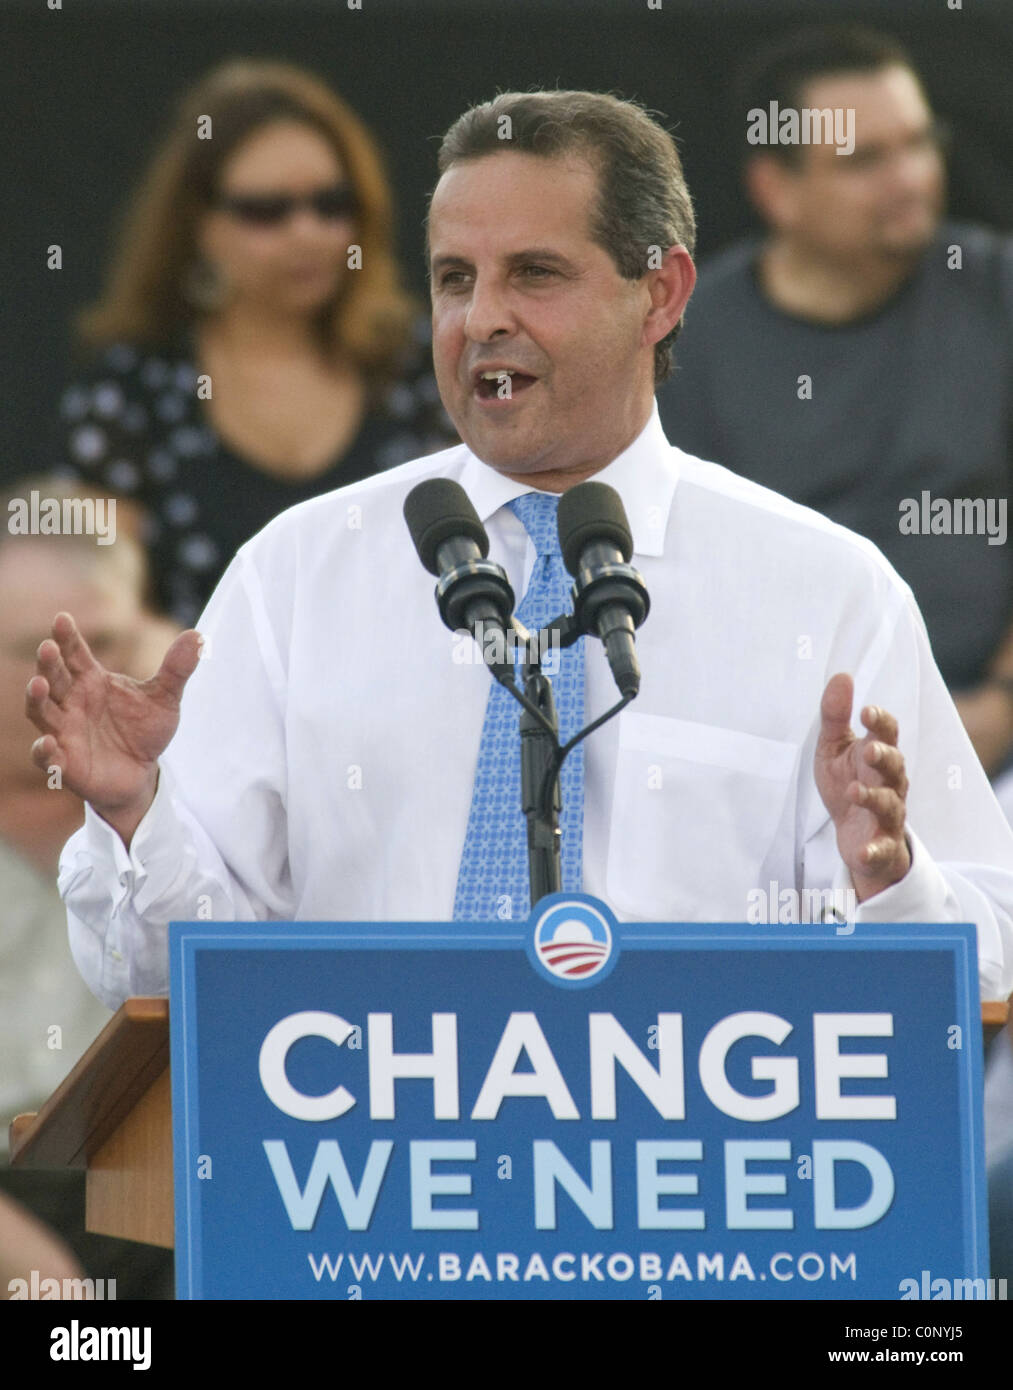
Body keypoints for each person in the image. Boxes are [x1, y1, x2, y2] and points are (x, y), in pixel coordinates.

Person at [27, 89, 1013, 1015]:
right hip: (371, 1169)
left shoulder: (823, 592)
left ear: (659, 293)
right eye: (455, 278)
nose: (479, 318)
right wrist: (130, 817)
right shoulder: (296, 575)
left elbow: (986, 951)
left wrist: (887, 888)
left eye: (533, 274)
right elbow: (155, 977)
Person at [655, 25, 1013, 784]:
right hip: (766, 752)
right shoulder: (689, 343)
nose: (909, 179)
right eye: (863, 160)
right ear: (773, 190)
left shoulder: (996, 291)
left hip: (994, 733)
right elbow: (674, 577)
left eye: (918, 143)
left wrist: (1002, 706)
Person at [56, 58, 457, 628]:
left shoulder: (418, 364)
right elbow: (102, 610)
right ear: (200, 223)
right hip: (203, 705)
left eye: (330, 203)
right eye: (265, 211)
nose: (306, 232)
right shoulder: (129, 395)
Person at [1, 477, 177, 1298]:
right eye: (33, 652)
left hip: (174, 1191)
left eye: (105, 644)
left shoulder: (213, 809)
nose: (81, 684)